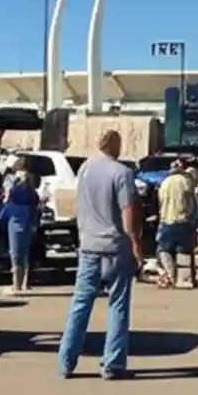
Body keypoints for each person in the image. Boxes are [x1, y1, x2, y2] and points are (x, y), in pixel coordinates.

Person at [58, 130, 143, 380]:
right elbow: (128, 214)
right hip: (115, 247)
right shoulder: (122, 173)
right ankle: (113, 363)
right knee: (117, 304)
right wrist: (137, 245)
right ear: (114, 144)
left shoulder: (84, 169)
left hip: (88, 245)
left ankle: (66, 361)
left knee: (80, 304)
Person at [154, 161, 197, 289]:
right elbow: (191, 202)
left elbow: (160, 202)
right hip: (183, 220)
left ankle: (170, 275)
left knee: (165, 249)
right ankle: (185, 279)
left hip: (166, 220)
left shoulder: (164, 183)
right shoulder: (185, 181)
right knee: (184, 251)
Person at [0, 171, 40, 296]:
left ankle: (16, 285)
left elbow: (7, 206)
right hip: (28, 223)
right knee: (24, 253)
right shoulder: (33, 194)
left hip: (16, 221)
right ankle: (24, 283)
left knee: (16, 254)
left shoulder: (16, 192)